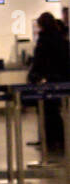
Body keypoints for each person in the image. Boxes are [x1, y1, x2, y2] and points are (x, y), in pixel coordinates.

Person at [28, 12, 70, 154]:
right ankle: (60, 139)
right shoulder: (62, 39)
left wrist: (33, 76)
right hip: (62, 80)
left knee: (46, 111)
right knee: (56, 111)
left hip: (48, 80)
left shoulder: (44, 39)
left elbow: (39, 60)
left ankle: (49, 139)